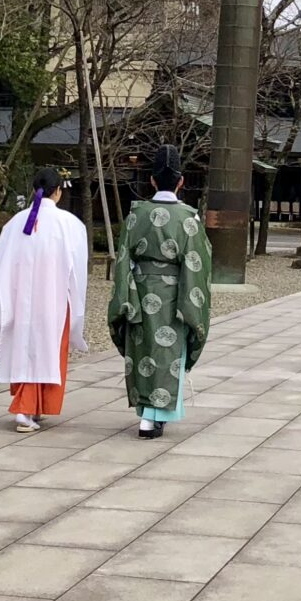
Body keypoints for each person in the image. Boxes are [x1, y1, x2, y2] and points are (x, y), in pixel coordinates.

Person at [0, 166, 89, 434]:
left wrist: (3, 303)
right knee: (47, 352)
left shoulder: (15, 224)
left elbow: (0, 266)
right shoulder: (70, 225)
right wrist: (75, 297)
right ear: (58, 191)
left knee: (24, 350)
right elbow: (77, 270)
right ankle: (25, 409)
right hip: (55, 300)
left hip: (21, 299)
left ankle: (32, 406)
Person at [108, 145, 212, 438]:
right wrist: (192, 305)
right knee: (167, 354)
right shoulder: (189, 220)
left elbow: (123, 261)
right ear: (180, 182)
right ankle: (154, 419)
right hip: (174, 295)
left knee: (143, 352)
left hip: (139, 292)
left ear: (152, 180)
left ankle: (145, 415)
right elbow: (197, 267)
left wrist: (126, 299)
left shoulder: (135, 215)